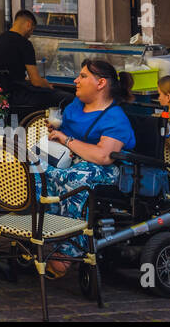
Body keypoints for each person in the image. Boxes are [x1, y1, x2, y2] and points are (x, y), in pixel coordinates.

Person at [40, 59, 136, 276]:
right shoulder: (75, 106)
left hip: (105, 171)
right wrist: (55, 133)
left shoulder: (115, 118)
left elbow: (103, 156)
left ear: (100, 83)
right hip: (69, 160)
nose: (76, 80)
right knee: (34, 172)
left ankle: (68, 249)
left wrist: (65, 140)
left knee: (73, 178)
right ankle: (40, 234)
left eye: (82, 76)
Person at [0, 9, 66, 111]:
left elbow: (7, 72)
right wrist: (47, 84)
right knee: (66, 98)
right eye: (32, 30)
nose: (31, 34)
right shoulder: (24, 44)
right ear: (28, 24)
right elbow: (36, 81)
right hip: (19, 96)